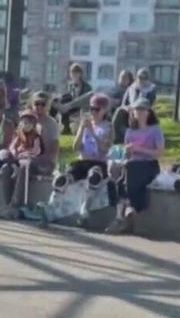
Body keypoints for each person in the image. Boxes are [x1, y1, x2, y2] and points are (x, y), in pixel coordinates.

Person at [106, 98, 164, 234]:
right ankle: (121, 215)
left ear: (148, 112)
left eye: (142, 110)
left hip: (149, 165)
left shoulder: (155, 130)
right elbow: (126, 155)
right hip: (131, 165)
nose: (139, 112)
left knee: (131, 171)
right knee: (116, 179)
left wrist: (139, 149)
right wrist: (122, 155)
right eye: (137, 110)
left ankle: (129, 209)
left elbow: (159, 152)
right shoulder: (130, 132)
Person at [0, 110, 44, 218]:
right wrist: (15, 154)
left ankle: (16, 203)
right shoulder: (18, 136)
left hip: (30, 161)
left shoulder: (36, 137)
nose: (25, 125)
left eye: (28, 123)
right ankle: (7, 204)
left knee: (24, 166)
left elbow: (36, 151)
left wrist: (25, 155)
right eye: (24, 122)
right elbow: (12, 147)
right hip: (17, 159)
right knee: (6, 168)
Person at [54, 63, 93, 134]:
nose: (74, 74)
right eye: (72, 72)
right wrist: (59, 98)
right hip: (71, 106)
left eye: (76, 72)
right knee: (60, 102)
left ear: (80, 74)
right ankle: (64, 127)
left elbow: (86, 99)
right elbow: (69, 95)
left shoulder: (87, 86)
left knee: (65, 106)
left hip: (81, 107)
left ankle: (65, 109)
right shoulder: (71, 85)